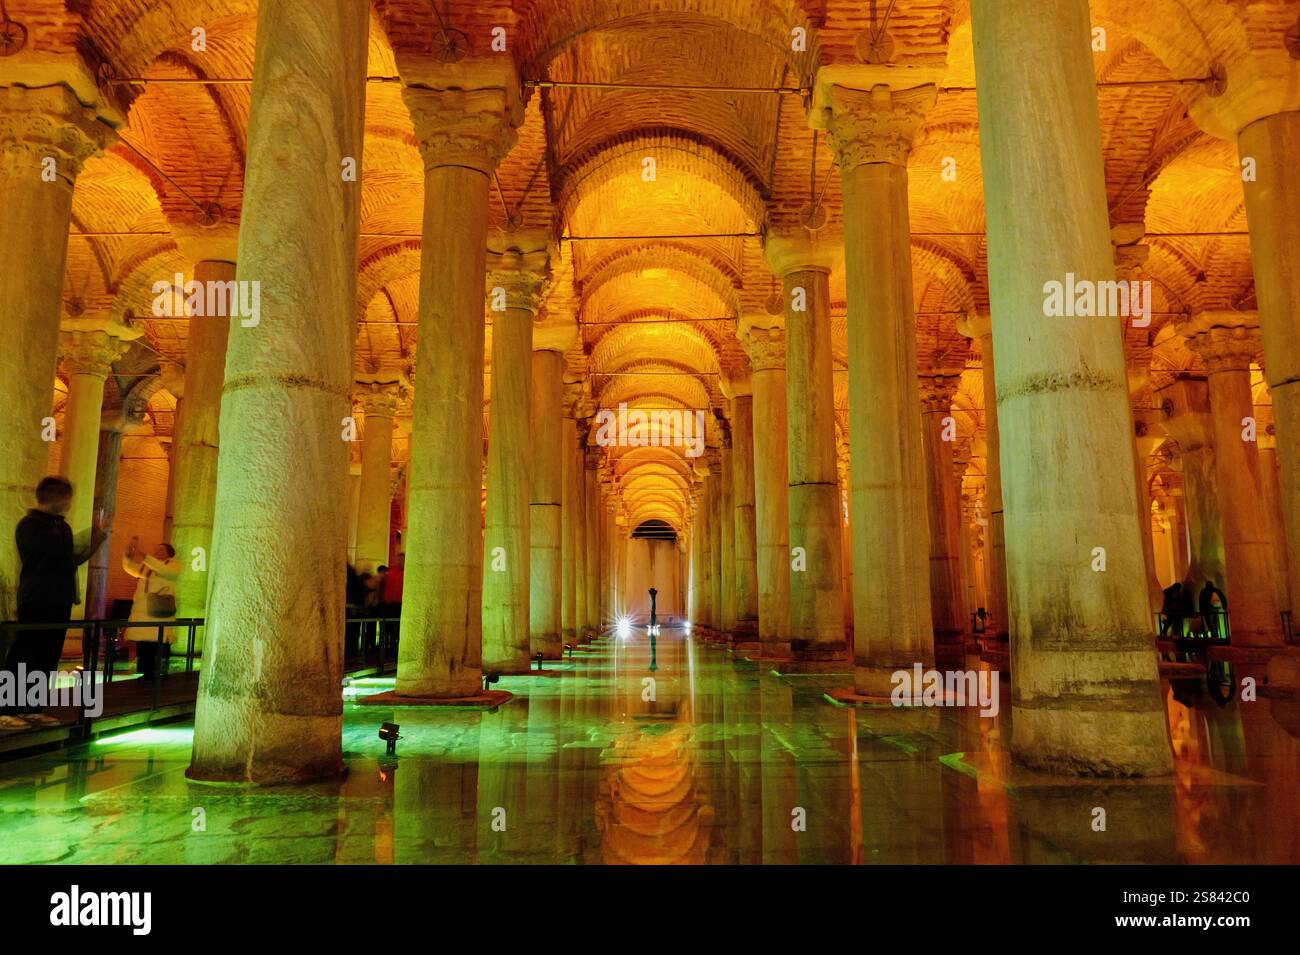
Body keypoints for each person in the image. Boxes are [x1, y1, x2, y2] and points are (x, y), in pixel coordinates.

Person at [0, 476, 106, 730]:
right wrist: (90, 536)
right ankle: (6, 710)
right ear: (55, 498)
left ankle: (32, 708)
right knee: (24, 654)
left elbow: (69, 558)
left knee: (47, 656)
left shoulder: (62, 527)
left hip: (60, 599)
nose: (69, 505)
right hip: (37, 598)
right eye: (67, 499)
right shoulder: (30, 525)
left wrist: (96, 535)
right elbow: (53, 557)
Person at [122, 538, 181, 678]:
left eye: (161, 550)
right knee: (144, 644)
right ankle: (147, 672)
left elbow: (164, 570)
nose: (157, 552)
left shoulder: (173, 566)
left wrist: (145, 557)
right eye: (156, 550)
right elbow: (132, 569)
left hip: (160, 611)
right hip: (144, 612)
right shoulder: (148, 566)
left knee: (160, 643)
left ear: (169, 553)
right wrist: (128, 556)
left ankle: (161, 671)